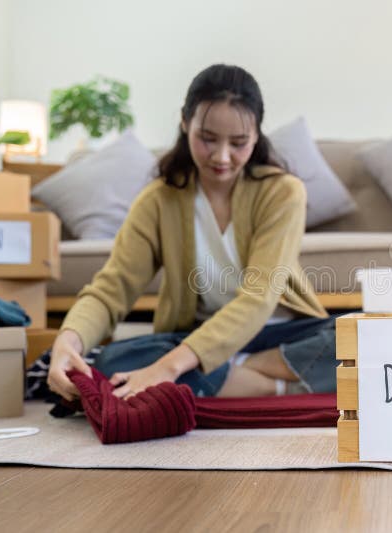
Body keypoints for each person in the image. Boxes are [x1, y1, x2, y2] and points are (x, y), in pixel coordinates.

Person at [47, 64, 337, 402]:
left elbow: (259, 298)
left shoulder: (283, 193)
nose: (222, 157)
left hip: (280, 333)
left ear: (257, 135)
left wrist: (168, 369)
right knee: (114, 361)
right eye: (207, 139)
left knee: (363, 335)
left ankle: (223, 375)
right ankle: (279, 385)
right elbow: (112, 289)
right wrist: (68, 340)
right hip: (191, 338)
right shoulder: (158, 200)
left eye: (239, 142)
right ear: (185, 124)